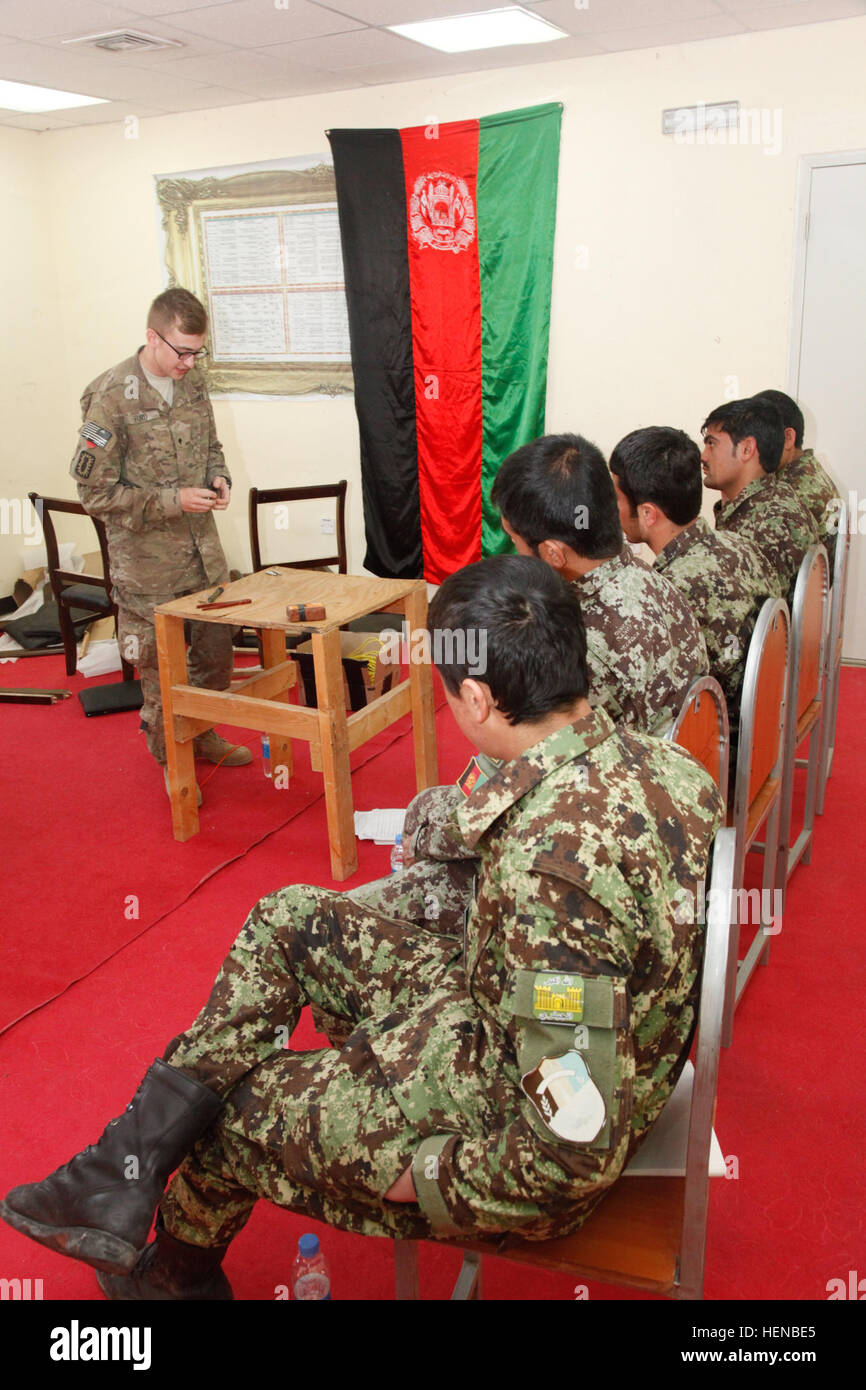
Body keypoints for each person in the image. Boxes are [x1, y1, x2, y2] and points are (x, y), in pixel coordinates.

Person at [0, 556, 722, 1301]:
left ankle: (172, 1280)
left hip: (519, 1129)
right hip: (505, 1010)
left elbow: (569, 1153)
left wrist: (420, 1175)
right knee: (291, 919)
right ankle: (122, 1167)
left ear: (474, 698)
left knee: (234, 1111)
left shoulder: (553, 874)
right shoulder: (661, 762)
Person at [70, 288, 251, 794]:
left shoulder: (192, 383)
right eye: (182, 351)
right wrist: (172, 501)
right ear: (153, 337)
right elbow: (94, 493)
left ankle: (203, 731)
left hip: (203, 556)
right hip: (147, 567)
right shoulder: (108, 397)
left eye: (198, 352)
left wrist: (220, 477)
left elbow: (211, 445)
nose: (191, 363)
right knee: (159, 668)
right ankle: (170, 755)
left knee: (214, 655)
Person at [490, 432, 709, 737]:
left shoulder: (579, 647)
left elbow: (548, 756)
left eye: (515, 541)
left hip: (635, 778)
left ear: (553, 553)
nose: (515, 552)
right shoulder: (659, 582)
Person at [609, 425, 773, 732]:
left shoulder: (670, 594)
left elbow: (654, 712)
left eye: (614, 497)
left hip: (715, 747)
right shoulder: (739, 545)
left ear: (648, 513)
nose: (611, 509)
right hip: (762, 730)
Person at [700, 396, 819, 604]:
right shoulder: (771, 499)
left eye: (712, 444)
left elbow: (738, 615)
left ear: (747, 449)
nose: (703, 456)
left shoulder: (766, 523)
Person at [754, 389, 840, 563]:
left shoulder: (793, 494)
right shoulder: (807, 473)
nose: (750, 448)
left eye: (757, 437)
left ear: (787, 438)